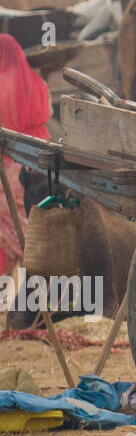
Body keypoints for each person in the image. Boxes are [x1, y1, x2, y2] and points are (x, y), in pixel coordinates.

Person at [0, 35, 50, 275]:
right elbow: (48, 113)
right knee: (39, 222)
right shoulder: (38, 83)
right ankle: (44, 275)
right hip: (40, 159)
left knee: (8, 226)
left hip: (8, 162)